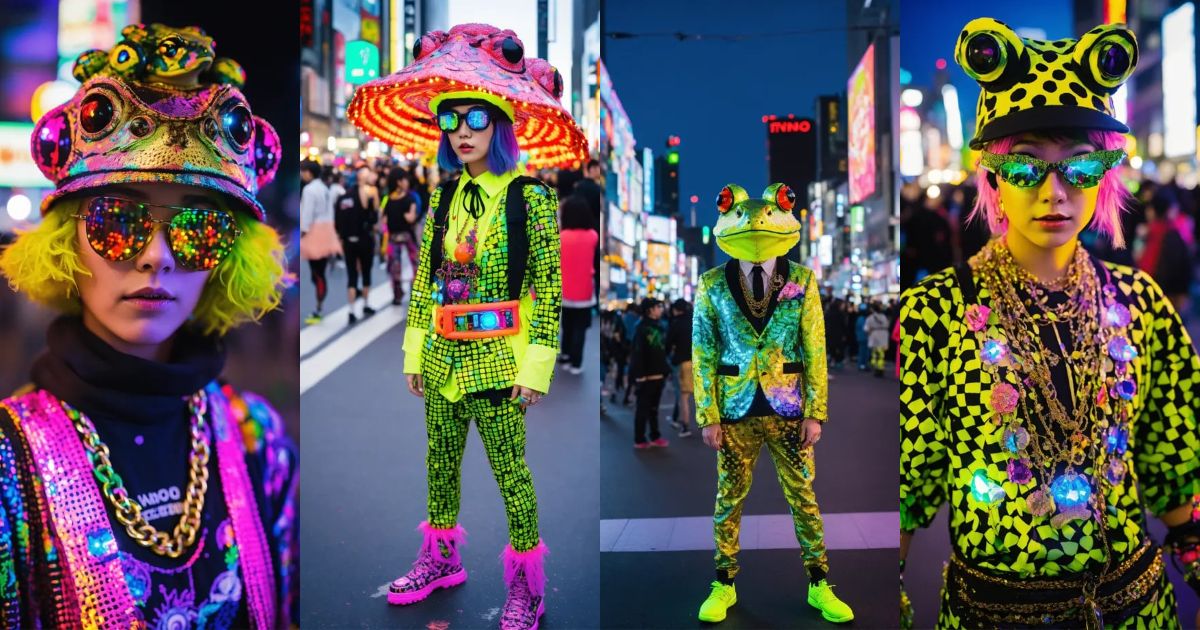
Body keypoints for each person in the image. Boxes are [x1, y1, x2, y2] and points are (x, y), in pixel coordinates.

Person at [900, 19, 1200, 629]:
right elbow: (905, 495)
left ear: (1106, 174)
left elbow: (1176, 471)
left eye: (1081, 168)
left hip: (1137, 613)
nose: (1056, 193)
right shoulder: (934, 314)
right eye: (1027, 167)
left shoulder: (1141, 303)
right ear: (991, 175)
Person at [0, 24, 296, 627]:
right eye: (117, 220)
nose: (156, 255)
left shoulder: (259, 436)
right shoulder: (7, 459)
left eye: (199, 229)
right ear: (69, 245)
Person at [347, 23, 584, 630]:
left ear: (500, 124)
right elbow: (426, 278)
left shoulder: (530, 197)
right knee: (439, 464)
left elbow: (550, 291)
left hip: (502, 360)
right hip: (445, 358)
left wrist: (536, 367)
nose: (460, 131)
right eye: (451, 119)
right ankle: (441, 560)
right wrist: (413, 352)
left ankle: (526, 587)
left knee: (511, 473)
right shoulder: (445, 197)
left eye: (474, 118)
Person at [693, 183, 853, 624]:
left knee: (804, 497)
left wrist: (816, 411)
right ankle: (723, 582)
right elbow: (703, 349)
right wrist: (707, 415)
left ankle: (820, 583)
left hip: (789, 407)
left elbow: (814, 346)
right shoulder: (710, 283)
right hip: (733, 408)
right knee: (729, 497)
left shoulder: (802, 279)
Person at [1136, 187, 1193, 317]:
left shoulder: (1147, 232)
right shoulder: (1174, 234)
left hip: (1145, 291)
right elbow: (1183, 268)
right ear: (1170, 209)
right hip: (1167, 297)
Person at [335, 164, 380, 324]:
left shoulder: (343, 197)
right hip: (364, 239)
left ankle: (351, 310)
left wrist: (341, 237)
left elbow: (338, 222)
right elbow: (374, 218)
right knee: (366, 272)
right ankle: (366, 305)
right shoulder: (368, 194)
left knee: (352, 275)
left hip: (348, 241)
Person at [559, 195, 599, 374]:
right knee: (580, 328)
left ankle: (565, 354)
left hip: (564, 290)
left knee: (566, 324)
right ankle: (576, 363)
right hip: (585, 291)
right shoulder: (593, 236)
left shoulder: (561, 237)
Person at [301, 159, 341, 324]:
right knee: (320, 272)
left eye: (303, 171)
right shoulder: (325, 188)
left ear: (309, 172)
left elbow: (307, 214)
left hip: (314, 233)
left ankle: (318, 308)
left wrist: (303, 233)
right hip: (326, 230)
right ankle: (319, 305)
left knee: (316, 273)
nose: (301, 174)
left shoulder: (309, 190)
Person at [630, 298, 670, 448]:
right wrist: (639, 375)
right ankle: (639, 439)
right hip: (646, 376)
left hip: (659, 374)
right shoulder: (641, 327)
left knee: (654, 408)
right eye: (657, 307)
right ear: (650, 310)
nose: (660, 309)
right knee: (643, 409)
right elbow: (637, 352)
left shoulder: (658, 326)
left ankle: (655, 436)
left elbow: (661, 350)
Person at [383, 167, 420, 305]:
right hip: (407, 239)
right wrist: (409, 215)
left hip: (393, 240)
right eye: (404, 180)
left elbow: (384, 220)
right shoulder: (409, 199)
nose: (407, 182)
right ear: (399, 182)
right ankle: (415, 294)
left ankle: (397, 295)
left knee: (395, 268)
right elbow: (411, 218)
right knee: (413, 266)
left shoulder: (389, 200)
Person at [667, 298, 694, 437]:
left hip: (683, 362)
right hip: (699, 362)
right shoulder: (695, 321)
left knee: (683, 396)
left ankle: (685, 426)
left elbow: (668, 343)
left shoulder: (676, 323)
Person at [863, 302, 890, 378]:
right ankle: (880, 368)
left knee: (874, 354)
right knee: (881, 354)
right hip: (883, 336)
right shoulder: (884, 317)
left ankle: (876, 368)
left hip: (874, 336)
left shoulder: (870, 318)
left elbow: (866, 328)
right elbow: (887, 325)